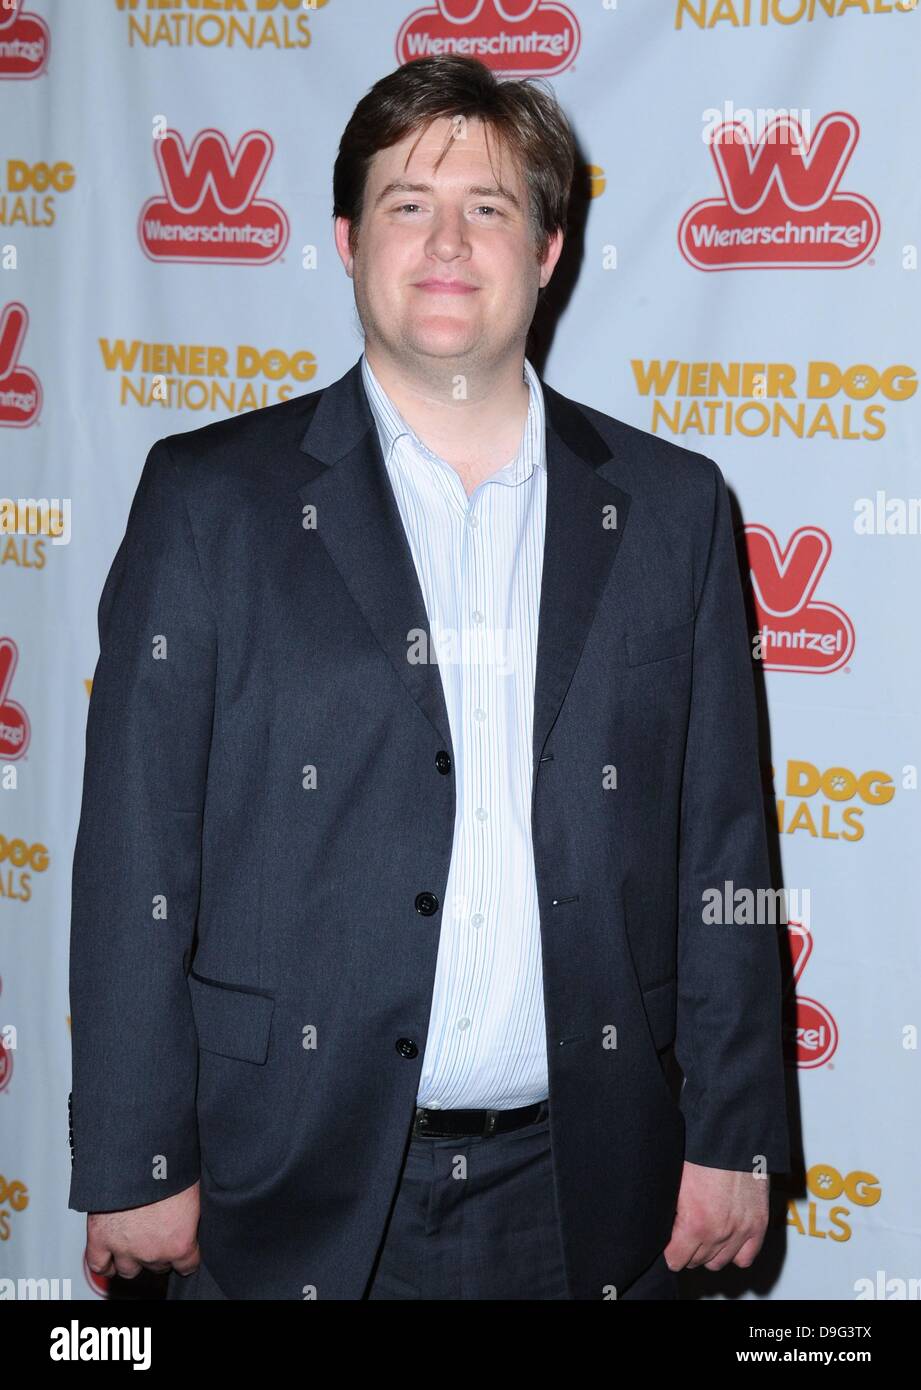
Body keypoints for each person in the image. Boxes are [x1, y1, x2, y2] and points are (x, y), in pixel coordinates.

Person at [68, 55, 790, 1301]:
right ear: (348, 241)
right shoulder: (209, 502)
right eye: (408, 203)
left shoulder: (672, 510)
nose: (447, 239)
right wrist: (134, 1152)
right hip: (280, 1183)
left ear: (549, 248)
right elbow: (137, 847)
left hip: (591, 1191)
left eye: (491, 207)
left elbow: (724, 850)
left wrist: (736, 1128)